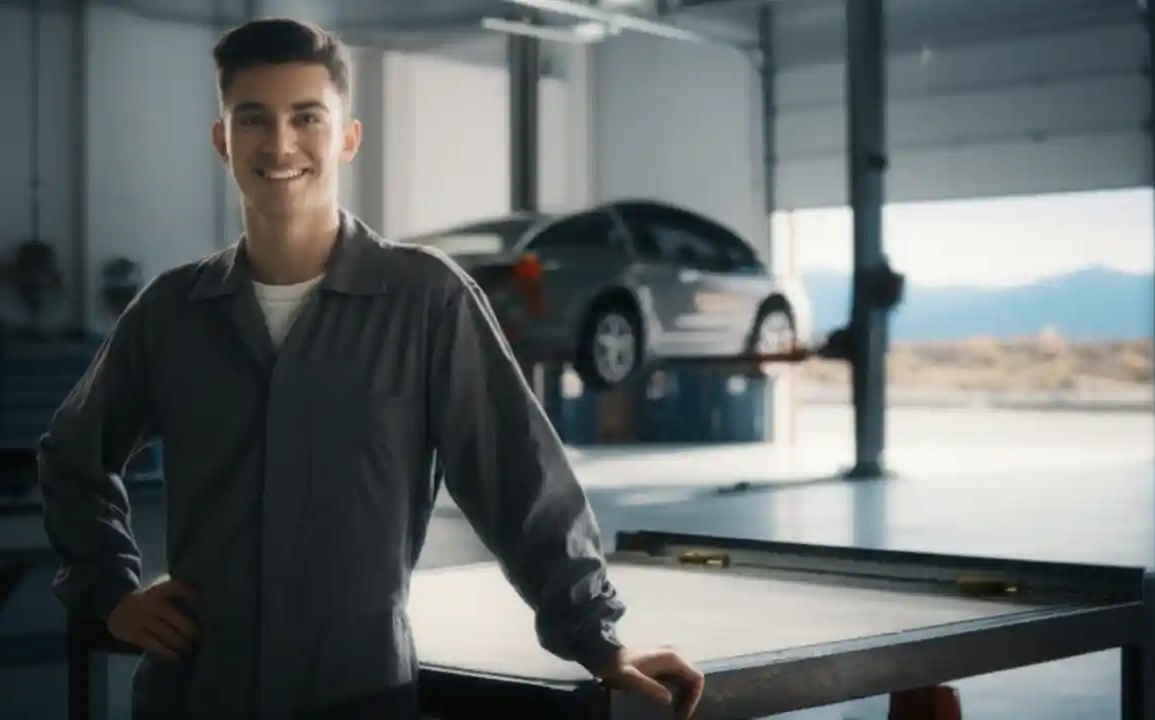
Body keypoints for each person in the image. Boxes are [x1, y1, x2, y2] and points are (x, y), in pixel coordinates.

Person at [37, 16, 705, 720]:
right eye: (253, 118)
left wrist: (600, 642)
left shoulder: (427, 303)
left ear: (348, 138)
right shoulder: (172, 313)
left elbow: (519, 478)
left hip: (359, 697)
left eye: (307, 118)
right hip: (195, 696)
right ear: (222, 140)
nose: (281, 143)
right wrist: (111, 594)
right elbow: (72, 457)